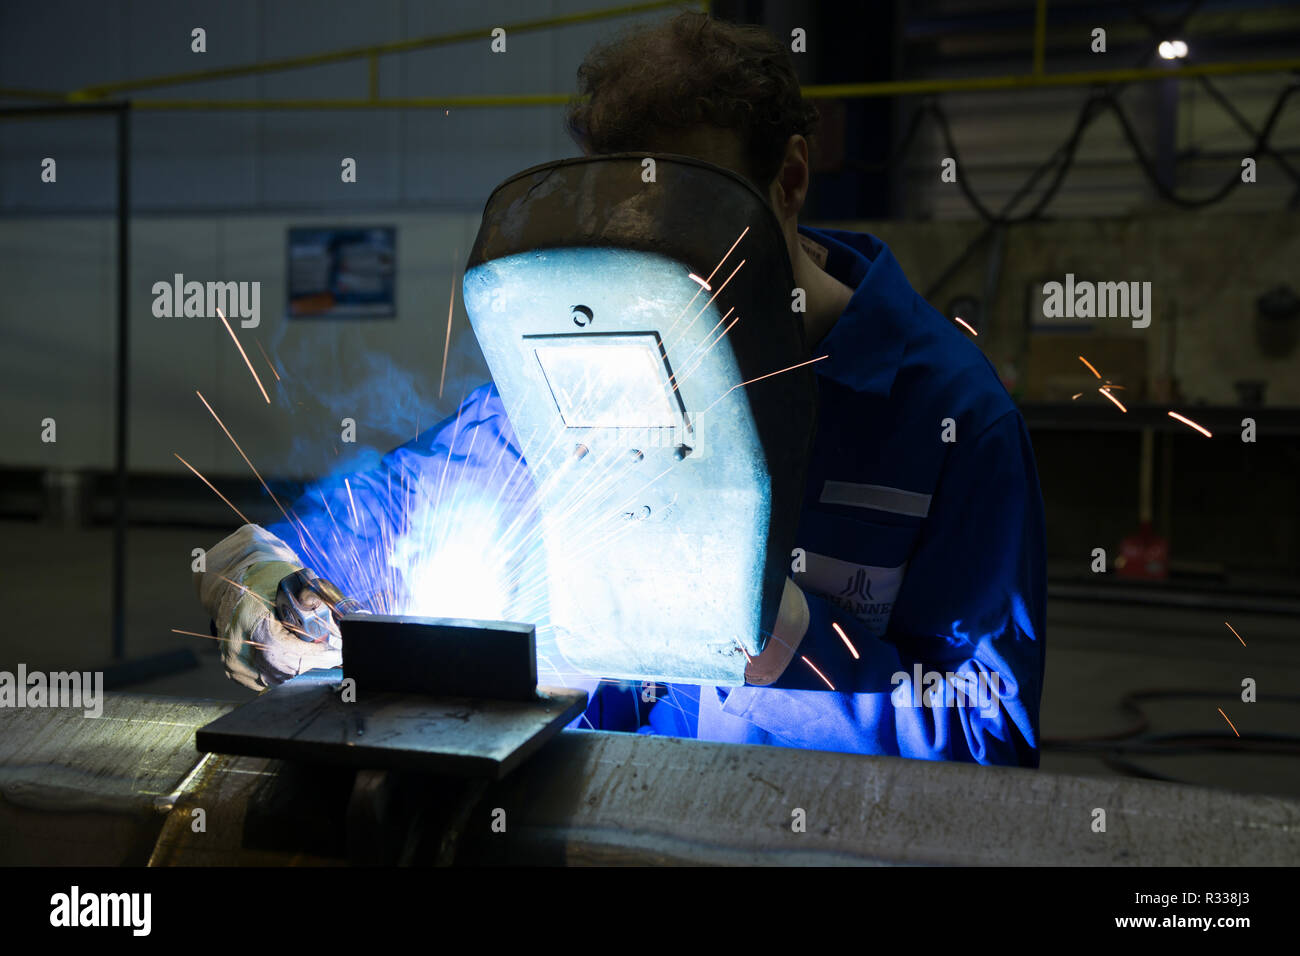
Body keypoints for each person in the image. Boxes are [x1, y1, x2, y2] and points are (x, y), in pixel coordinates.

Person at [196, 11, 1046, 767]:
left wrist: (783, 642)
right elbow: (420, 498)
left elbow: (988, 737)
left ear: (789, 181)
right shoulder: (597, 364)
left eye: (699, 215)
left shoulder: (954, 421)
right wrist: (279, 568)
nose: (662, 267)